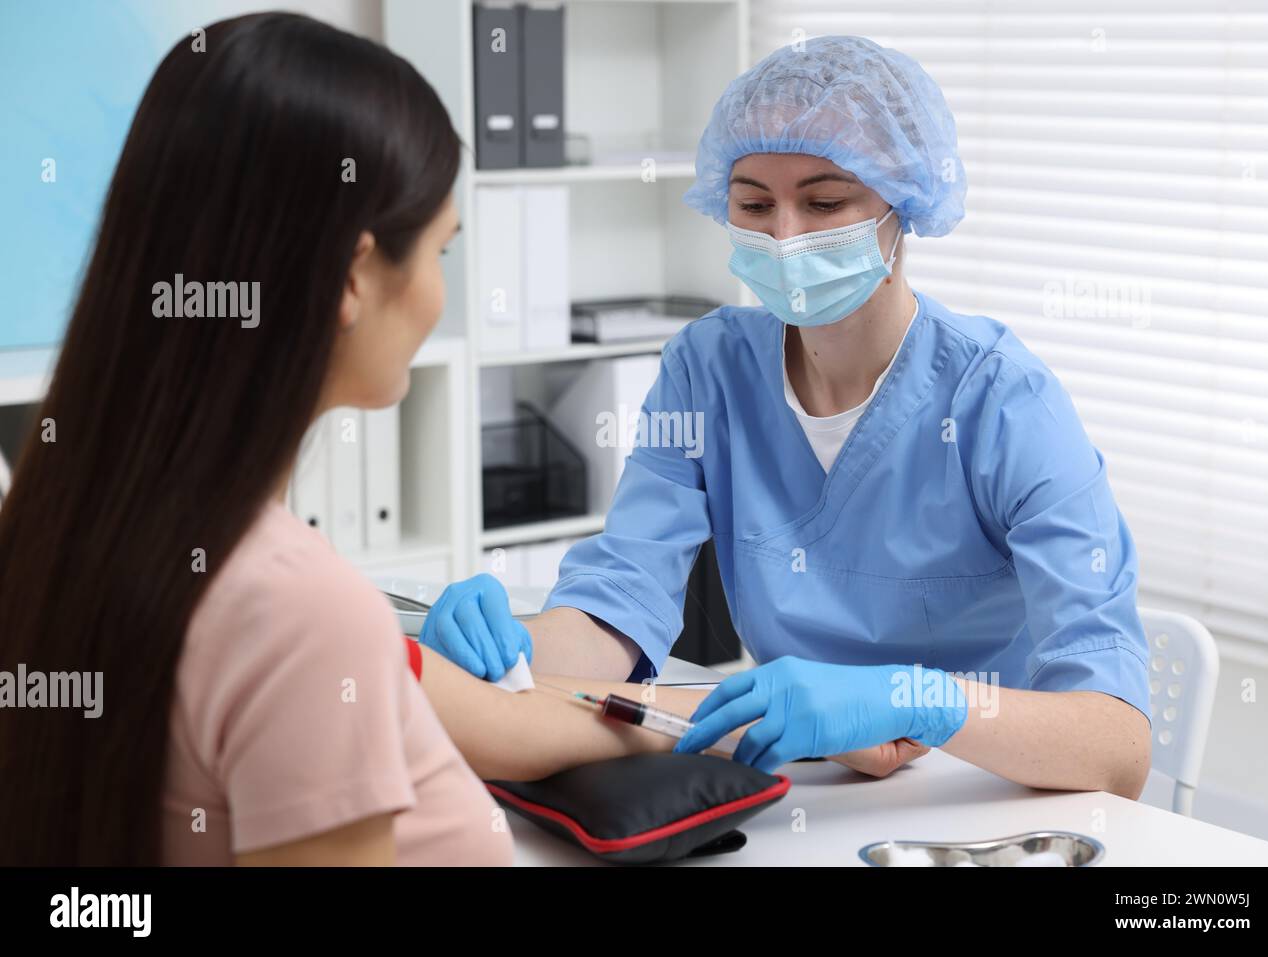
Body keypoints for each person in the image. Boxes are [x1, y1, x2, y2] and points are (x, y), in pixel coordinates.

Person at [0, 13, 743, 867]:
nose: (437, 295)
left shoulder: (62, 516)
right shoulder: (299, 610)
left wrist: (725, 716)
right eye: (440, 251)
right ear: (355, 275)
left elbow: (501, 715)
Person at [422, 36, 1153, 798]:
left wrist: (920, 701)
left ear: (903, 204)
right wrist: (511, 647)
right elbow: (619, 608)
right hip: (801, 790)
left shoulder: (1004, 401)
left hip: (981, 798)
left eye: (826, 201)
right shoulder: (707, 371)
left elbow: (1118, 744)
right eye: (754, 203)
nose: (786, 235)